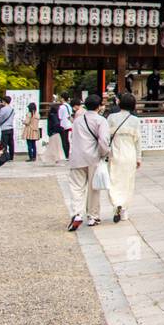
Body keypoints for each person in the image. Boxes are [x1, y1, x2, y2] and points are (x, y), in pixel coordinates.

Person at [66, 93, 112, 231]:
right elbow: (103, 141)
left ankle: (77, 213)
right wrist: (105, 153)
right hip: (93, 158)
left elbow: (72, 138)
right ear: (99, 106)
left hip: (77, 157)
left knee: (76, 188)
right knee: (94, 188)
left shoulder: (78, 120)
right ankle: (92, 216)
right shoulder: (101, 121)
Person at [106, 93, 143, 224]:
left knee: (114, 179)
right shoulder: (135, 120)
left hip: (115, 152)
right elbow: (138, 141)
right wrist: (139, 157)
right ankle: (124, 210)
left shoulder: (111, 117)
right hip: (130, 152)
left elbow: (106, 137)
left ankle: (117, 203)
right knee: (128, 181)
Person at [0, 95, 15, 164]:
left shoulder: (3, 109)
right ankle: (11, 156)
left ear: (4, 101)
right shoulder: (12, 109)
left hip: (4, 128)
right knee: (11, 143)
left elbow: (0, 119)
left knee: (4, 143)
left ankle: (4, 156)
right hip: (11, 128)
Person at [56, 94, 74, 158]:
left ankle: (65, 154)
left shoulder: (62, 107)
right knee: (67, 140)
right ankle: (68, 154)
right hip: (69, 124)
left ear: (63, 99)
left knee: (64, 140)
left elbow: (59, 116)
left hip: (63, 125)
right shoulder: (69, 106)